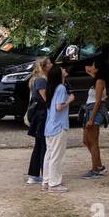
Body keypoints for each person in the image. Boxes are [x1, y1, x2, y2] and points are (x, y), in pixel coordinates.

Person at [42, 64, 74, 192]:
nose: (65, 70)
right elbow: (59, 107)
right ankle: (54, 184)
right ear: (59, 75)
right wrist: (69, 100)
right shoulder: (61, 88)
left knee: (49, 155)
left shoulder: (51, 88)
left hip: (50, 126)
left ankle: (46, 181)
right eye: (62, 70)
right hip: (59, 126)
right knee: (56, 156)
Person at [79, 57, 109, 178]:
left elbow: (97, 102)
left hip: (95, 111)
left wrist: (91, 119)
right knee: (87, 141)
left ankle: (95, 169)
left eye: (93, 65)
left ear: (98, 68)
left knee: (93, 141)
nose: (91, 67)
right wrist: (90, 72)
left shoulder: (100, 81)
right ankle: (99, 165)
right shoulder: (97, 80)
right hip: (90, 110)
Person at [24, 58, 52, 185]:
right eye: (50, 63)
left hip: (39, 115)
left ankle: (35, 174)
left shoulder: (38, 79)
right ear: (44, 66)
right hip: (41, 115)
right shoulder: (41, 80)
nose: (52, 65)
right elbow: (45, 99)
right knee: (42, 145)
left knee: (40, 145)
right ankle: (42, 174)